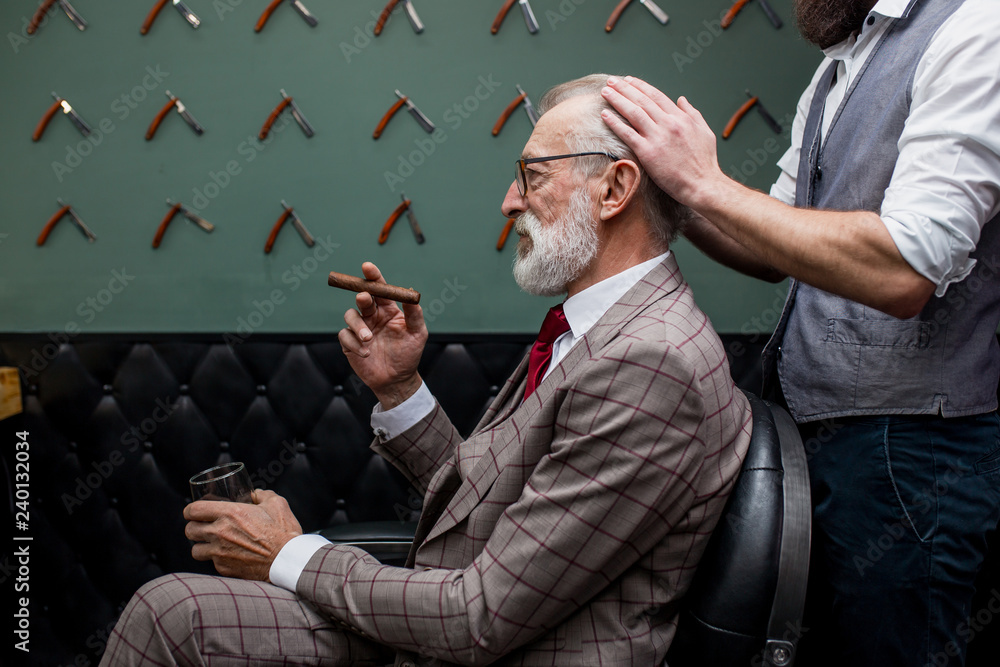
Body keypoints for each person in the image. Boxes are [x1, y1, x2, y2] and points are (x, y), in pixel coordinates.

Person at [100, 75, 752, 667]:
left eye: (530, 177)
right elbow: (500, 508)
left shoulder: (649, 362)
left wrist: (287, 554)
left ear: (613, 189)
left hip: (497, 647)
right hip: (479, 632)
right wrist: (401, 388)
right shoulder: (603, 327)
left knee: (168, 617)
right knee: (172, 612)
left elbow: (481, 615)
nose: (507, 202)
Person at [599, 1, 1000, 666]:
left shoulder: (977, 31)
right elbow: (772, 239)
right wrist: (672, 194)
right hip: (814, 435)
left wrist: (704, 180)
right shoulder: (838, 66)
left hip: (914, 456)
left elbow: (906, 266)